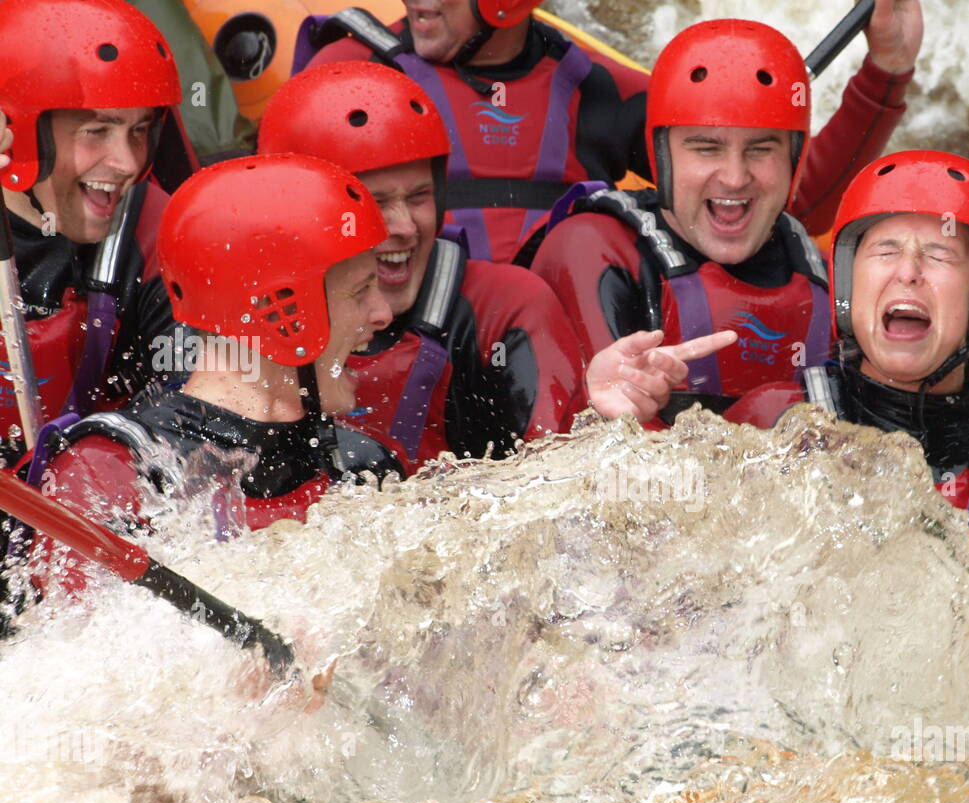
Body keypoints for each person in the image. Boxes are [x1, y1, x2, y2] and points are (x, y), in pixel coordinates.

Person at [592, 150, 969, 587]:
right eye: (884, 249)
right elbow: (649, 572)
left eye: (940, 254)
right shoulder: (776, 423)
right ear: (847, 286)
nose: (907, 272)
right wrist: (614, 429)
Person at [301, 1, 922, 265]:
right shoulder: (348, 76)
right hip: (404, 345)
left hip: (558, 360)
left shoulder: (597, 88)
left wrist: (885, 72)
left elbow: (788, 202)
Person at [32, 153, 401, 595]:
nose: (383, 314)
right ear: (279, 313)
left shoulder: (361, 469)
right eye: (361, 291)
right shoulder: (112, 475)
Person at [532, 19, 863, 424]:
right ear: (661, 157)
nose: (735, 177)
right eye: (706, 148)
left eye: (761, 149)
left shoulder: (822, 277)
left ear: (793, 160)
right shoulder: (590, 249)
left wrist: (886, 73)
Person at [256, 60, 586, 467]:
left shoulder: (507, 307)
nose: (406, 226)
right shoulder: (246, 319)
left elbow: (565, 481)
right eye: (374, 204)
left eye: (418, 196)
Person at [0, 0, 194, 472]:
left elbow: (203, 412)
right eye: (96, 130)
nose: (128, 163)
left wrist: (96, 467)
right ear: (17, 130)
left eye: (139, 130)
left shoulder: (156, 237)